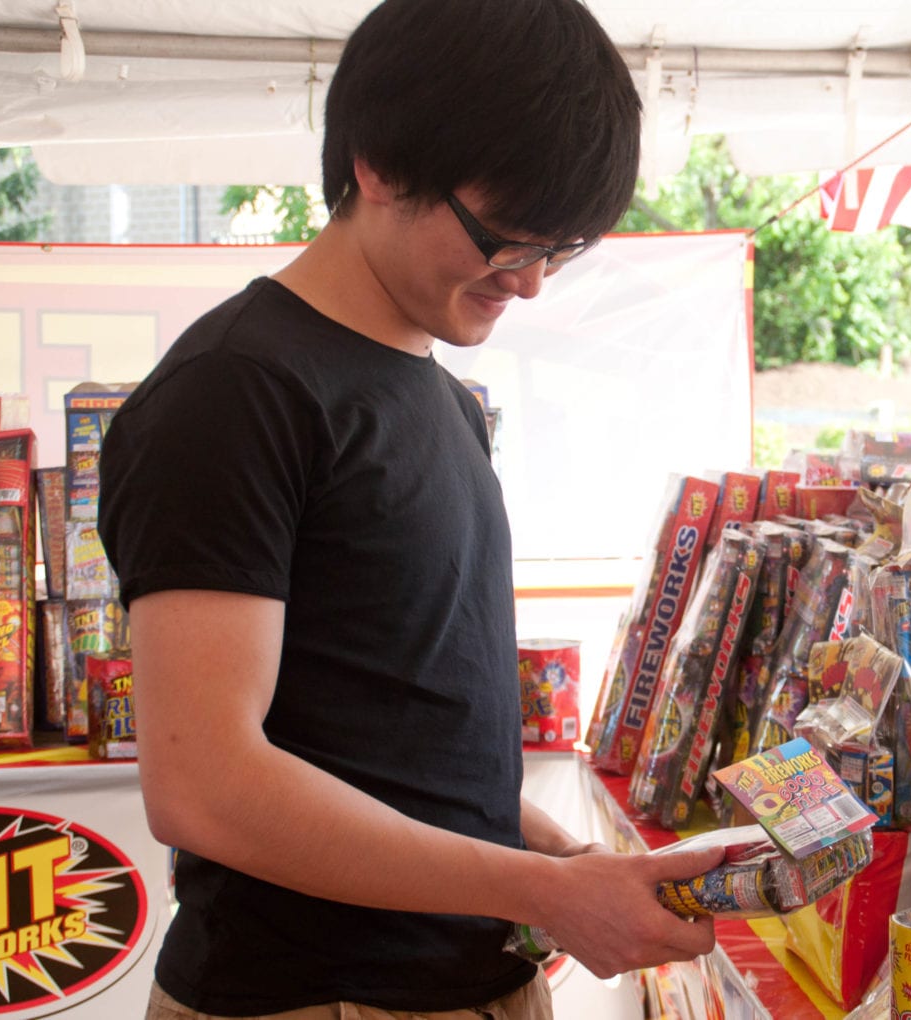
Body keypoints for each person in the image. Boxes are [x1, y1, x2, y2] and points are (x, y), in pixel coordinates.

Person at [97, 1, 723, 1016]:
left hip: (469, 981)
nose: (527, 284)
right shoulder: (236, 393)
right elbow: (202, 784)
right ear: (380, 164)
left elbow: (396, 739)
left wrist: (559, 858)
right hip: (313, 998)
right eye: (505, 239)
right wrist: (545, 891)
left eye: (559, 249)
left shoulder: (444, 400)